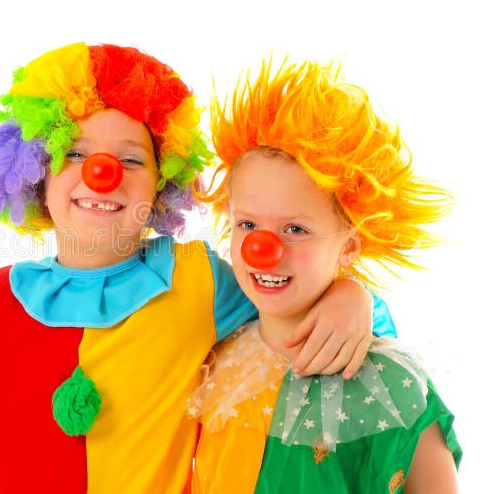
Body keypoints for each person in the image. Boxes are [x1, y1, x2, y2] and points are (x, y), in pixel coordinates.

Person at [0, 42, 394, 492]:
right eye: (74, 154)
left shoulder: (197, 280)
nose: (101, 173)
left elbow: (290, 298)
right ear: (36, 172)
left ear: (164, 182)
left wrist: (351, 296)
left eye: (131, 160)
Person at [188, 59, 462, 493]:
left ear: (349, 245)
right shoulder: (214, 359)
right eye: (247, 225)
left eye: (295, 229)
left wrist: (355, 293)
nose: (263, 250)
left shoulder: (394, 388)